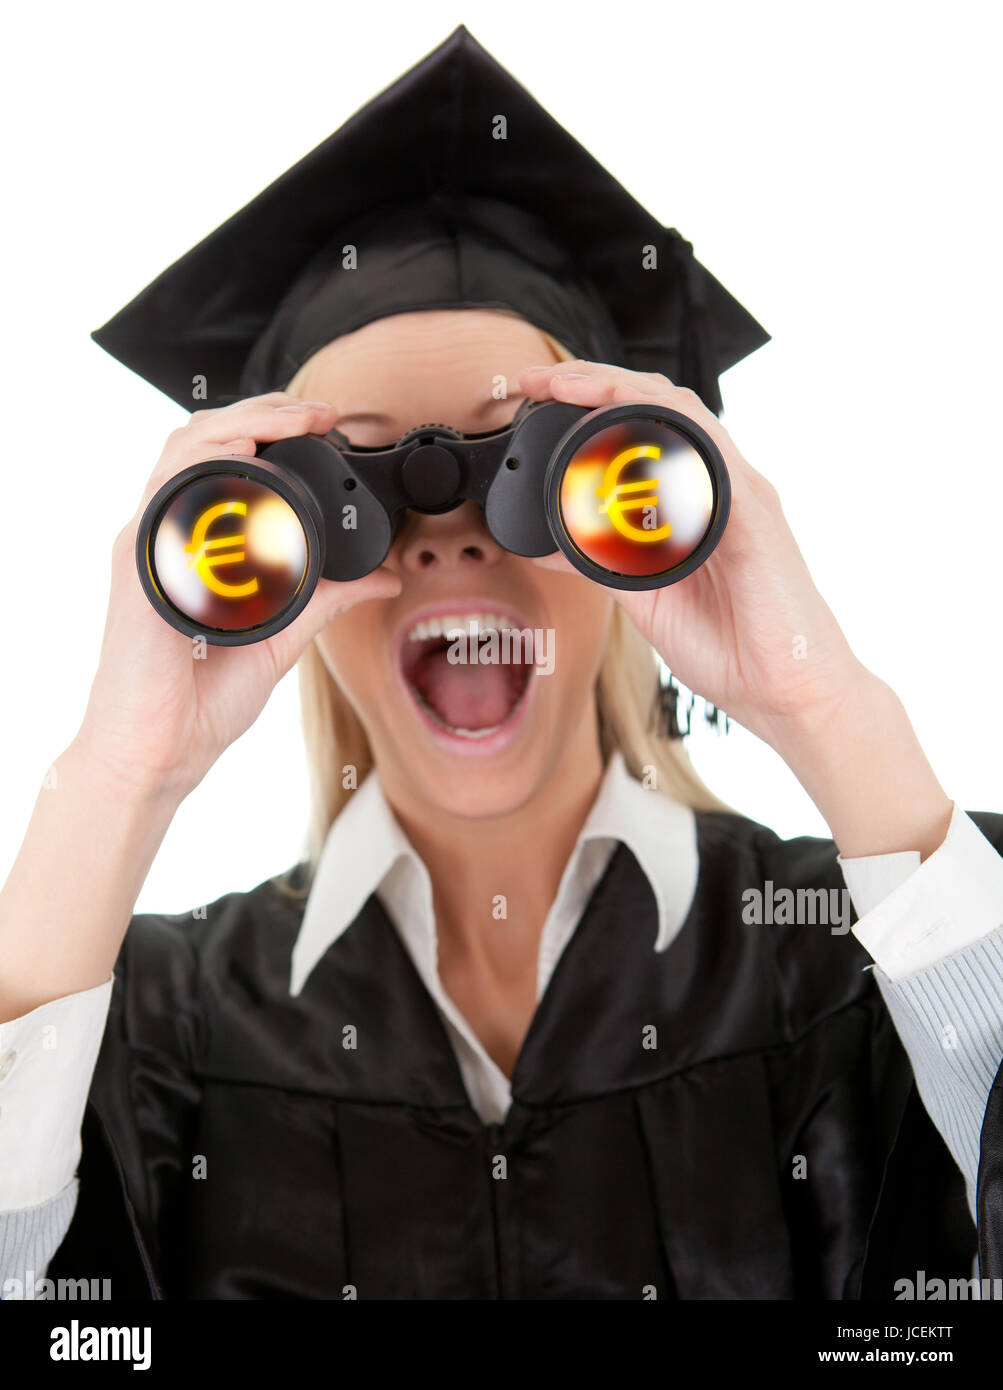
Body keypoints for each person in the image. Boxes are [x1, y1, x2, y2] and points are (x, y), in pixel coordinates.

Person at [2, 26, 1002, 1302]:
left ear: (630, 515)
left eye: (520, 462)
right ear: (286, 565)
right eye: (350, 485)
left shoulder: (854, 968)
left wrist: (827, 703)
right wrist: (113, 776)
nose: (448, 532)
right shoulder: (155, 1022)